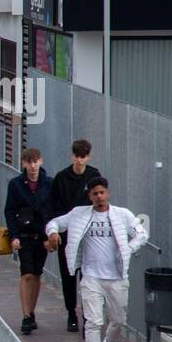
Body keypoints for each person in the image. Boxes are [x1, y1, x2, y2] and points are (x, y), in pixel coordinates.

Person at [44, 178, 148, 342]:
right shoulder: (79, 214)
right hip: (91, 276)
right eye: (94, 194)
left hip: (116, 277)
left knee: (118, 319)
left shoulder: (122, 215)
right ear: (89, 196)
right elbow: (55, 222)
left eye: (102, 193)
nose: (99, 197)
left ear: (107, 193)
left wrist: (128, 248)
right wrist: (53, 232)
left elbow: (141, 234)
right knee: (93, 322)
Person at [47, 139, 101, 332]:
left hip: (88, 235)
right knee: (68, 273)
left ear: (88, 157)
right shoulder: (61, 178)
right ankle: (71, 312)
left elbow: (99, 201)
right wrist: (56, 230)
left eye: (83, 156)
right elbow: (53, 206)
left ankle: (87, 315)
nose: (79, 160)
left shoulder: (94, 176)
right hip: (68, 232)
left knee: (88, 276)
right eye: (77, 156)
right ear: (72, 156)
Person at [5, 148, 53, 335]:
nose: (32, 166)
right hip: (24, 235)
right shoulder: (16, 185)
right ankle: (25, 315)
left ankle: (32, 311)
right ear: (23, 163)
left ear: (40, 161)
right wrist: (14, 235)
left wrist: (51, 234)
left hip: (42, 235)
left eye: (35, 161)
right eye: (29, 162)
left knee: (37, 273)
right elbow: (10, 210)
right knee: (26, 273)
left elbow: (53, 209)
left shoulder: (48, 183)